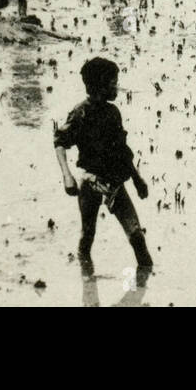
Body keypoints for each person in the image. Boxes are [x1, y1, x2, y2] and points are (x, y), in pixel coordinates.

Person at [54, 57, 153, 281]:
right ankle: (87, 285)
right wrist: (67, 176)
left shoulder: (113, 113)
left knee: (137, 236)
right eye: (113, 83)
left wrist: (137, 180)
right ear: (99, 86)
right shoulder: (80, 114)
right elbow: (60, 142)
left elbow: (123, 150)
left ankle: (144, 283)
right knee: (88, 235)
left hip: (115, 183)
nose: (116, 87)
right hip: (91, 182)